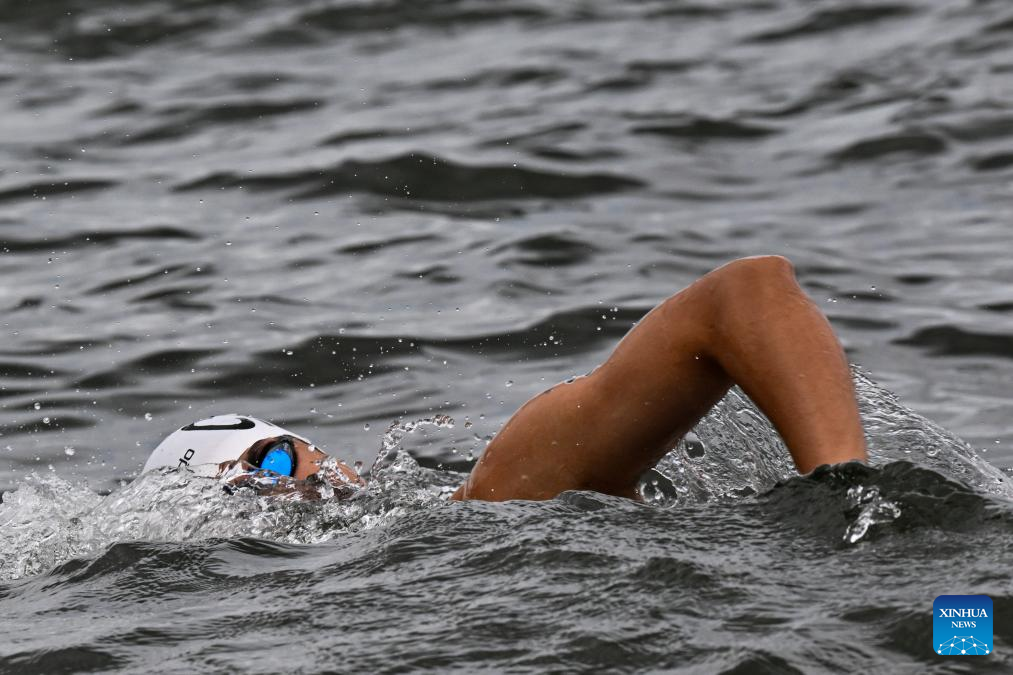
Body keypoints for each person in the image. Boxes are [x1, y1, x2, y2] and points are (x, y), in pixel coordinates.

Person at [142, 256, 868, 501]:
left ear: (315, 449)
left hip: (900, 602)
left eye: (272, 459)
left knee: (965, 632)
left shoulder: (500, 491)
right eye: (237, 497)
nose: (285, 487)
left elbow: (741, 292)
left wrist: (846, 492)